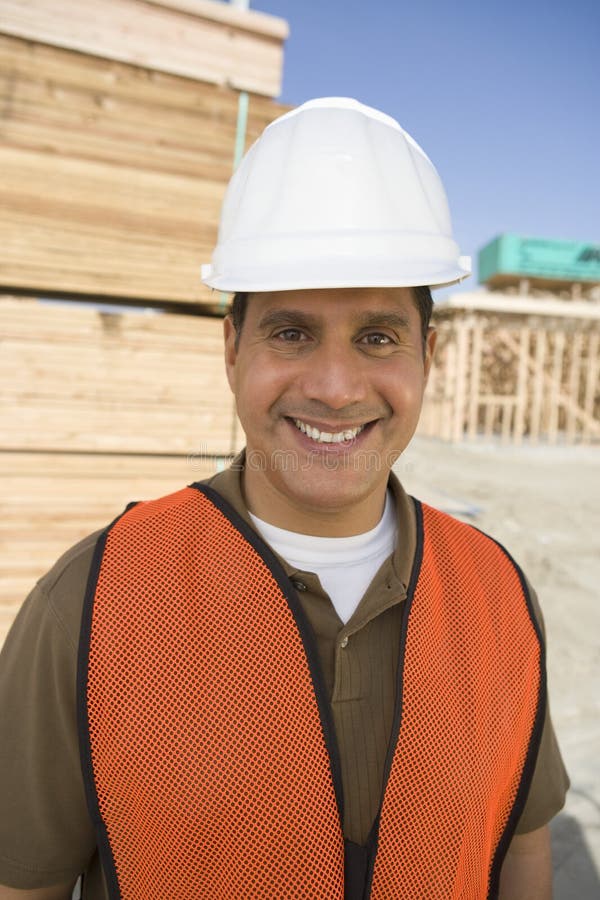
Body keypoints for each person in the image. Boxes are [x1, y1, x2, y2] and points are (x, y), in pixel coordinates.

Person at [0, 98, 568, 900]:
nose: (336, 389)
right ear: (231, 349)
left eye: (377, 336)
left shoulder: (498, 596)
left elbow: (519, 849)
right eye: (291, 333)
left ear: (427, 356)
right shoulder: (89, 606)